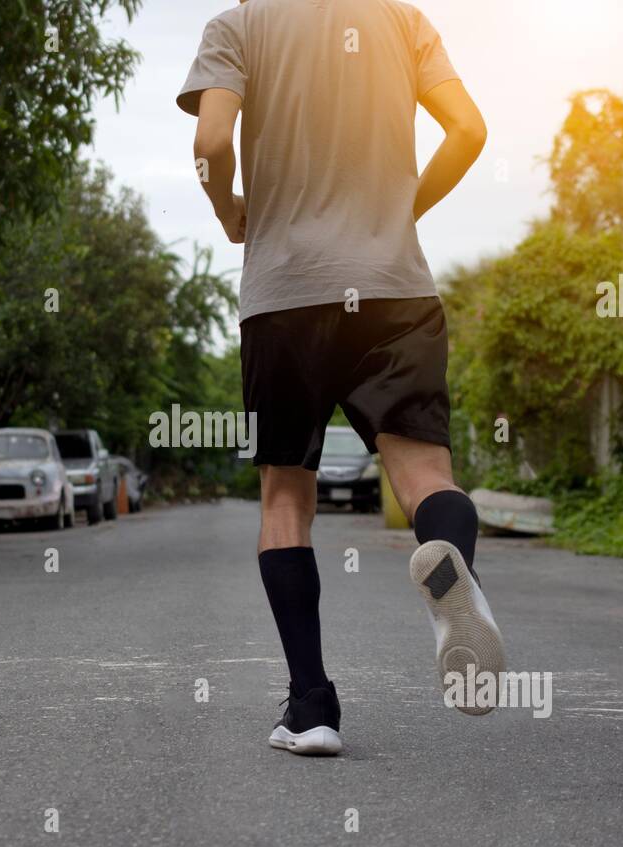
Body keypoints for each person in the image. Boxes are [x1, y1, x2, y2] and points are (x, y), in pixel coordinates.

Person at [178, 0, 503, 756]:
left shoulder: (239, 25)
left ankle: (311, 707)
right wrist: (400, 212)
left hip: (287, 295)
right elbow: (470, 131)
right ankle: (457, 577)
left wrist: (228, 209)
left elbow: (211, 138)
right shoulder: (402, 20)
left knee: (286, 498)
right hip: (394, 287)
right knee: (424, 475)